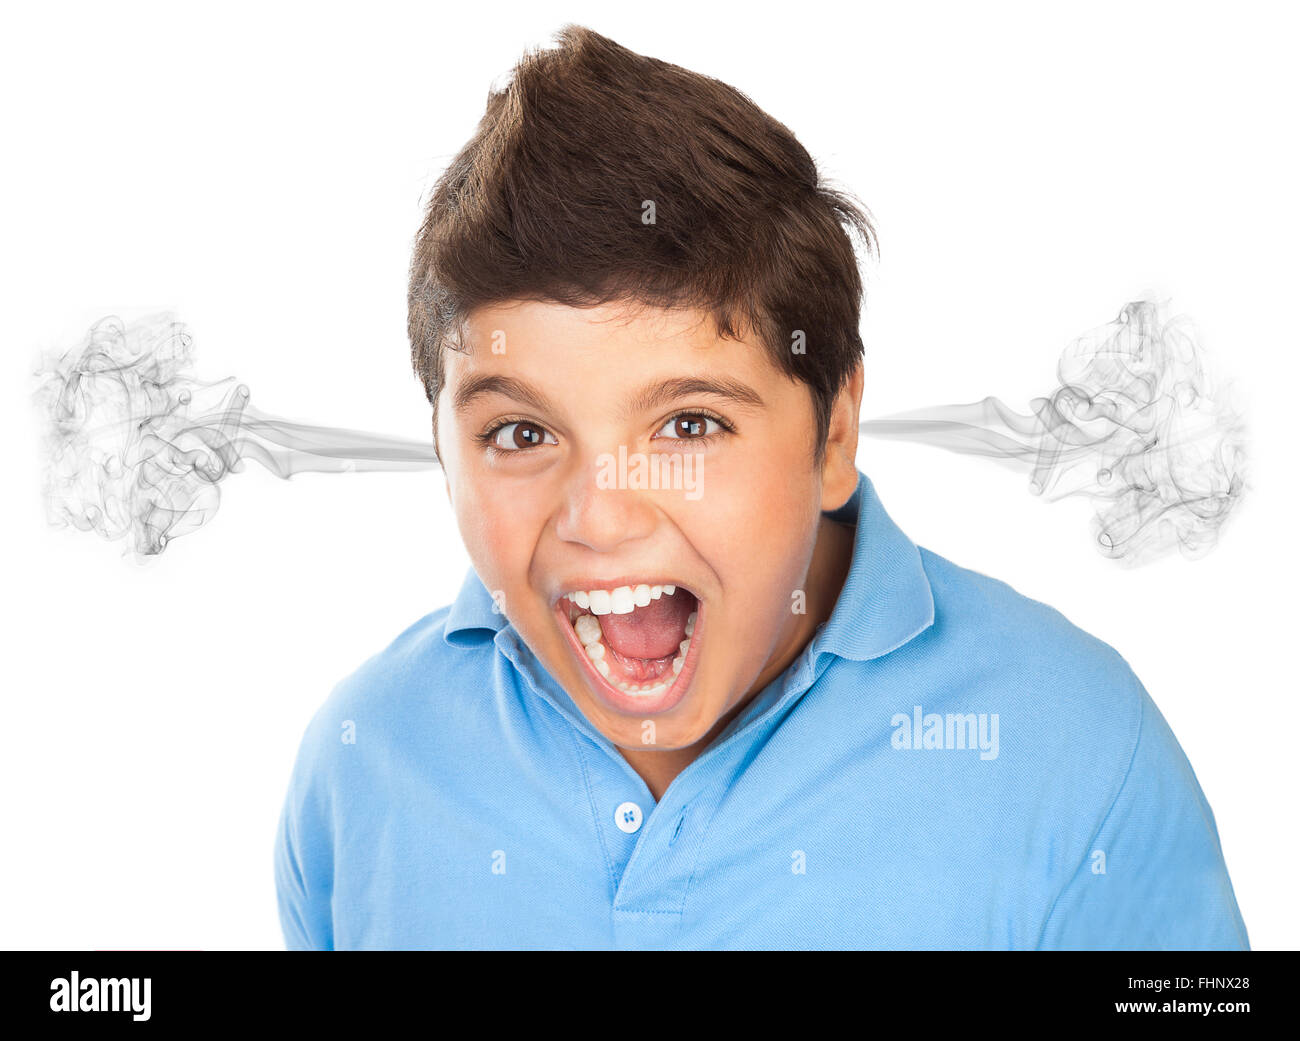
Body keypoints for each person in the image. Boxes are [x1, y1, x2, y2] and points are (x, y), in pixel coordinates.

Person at [273, 24, 1247, 950]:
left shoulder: (1075, 752)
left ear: (833, 432)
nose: (601, 517)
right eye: (521, 433)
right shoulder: (364, 769)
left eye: (689, 424)